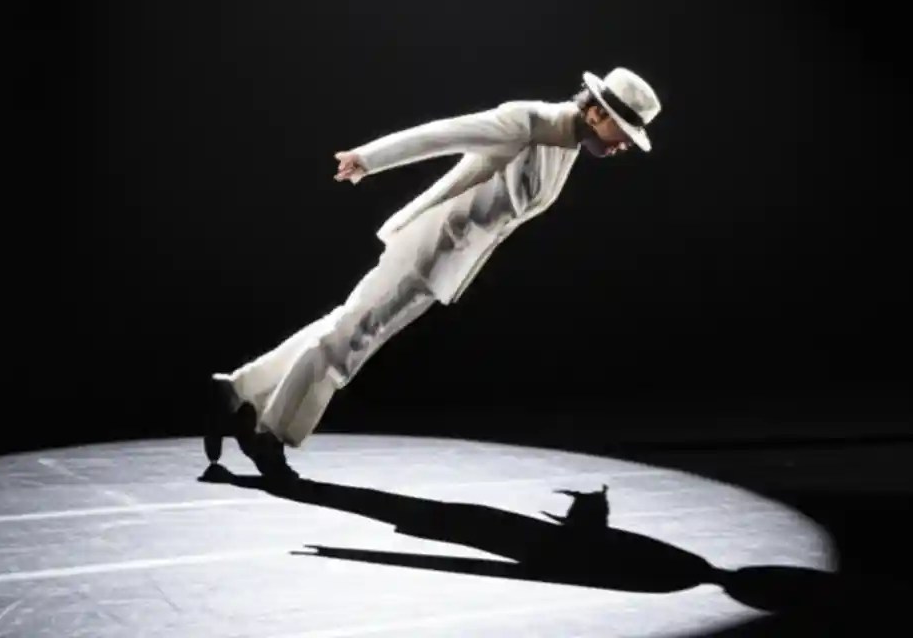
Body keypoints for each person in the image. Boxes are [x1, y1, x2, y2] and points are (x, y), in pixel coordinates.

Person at [204, 67, 662, 476]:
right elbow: (446, 133)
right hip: (427, 248)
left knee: (345, 328)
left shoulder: (568, 146)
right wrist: (370, 157)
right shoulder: (530, 123)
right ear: (597, 113)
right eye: (622, 131)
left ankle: (235, 390)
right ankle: (268, 434)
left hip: (445, 261)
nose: (623, 145)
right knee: (350, 338)